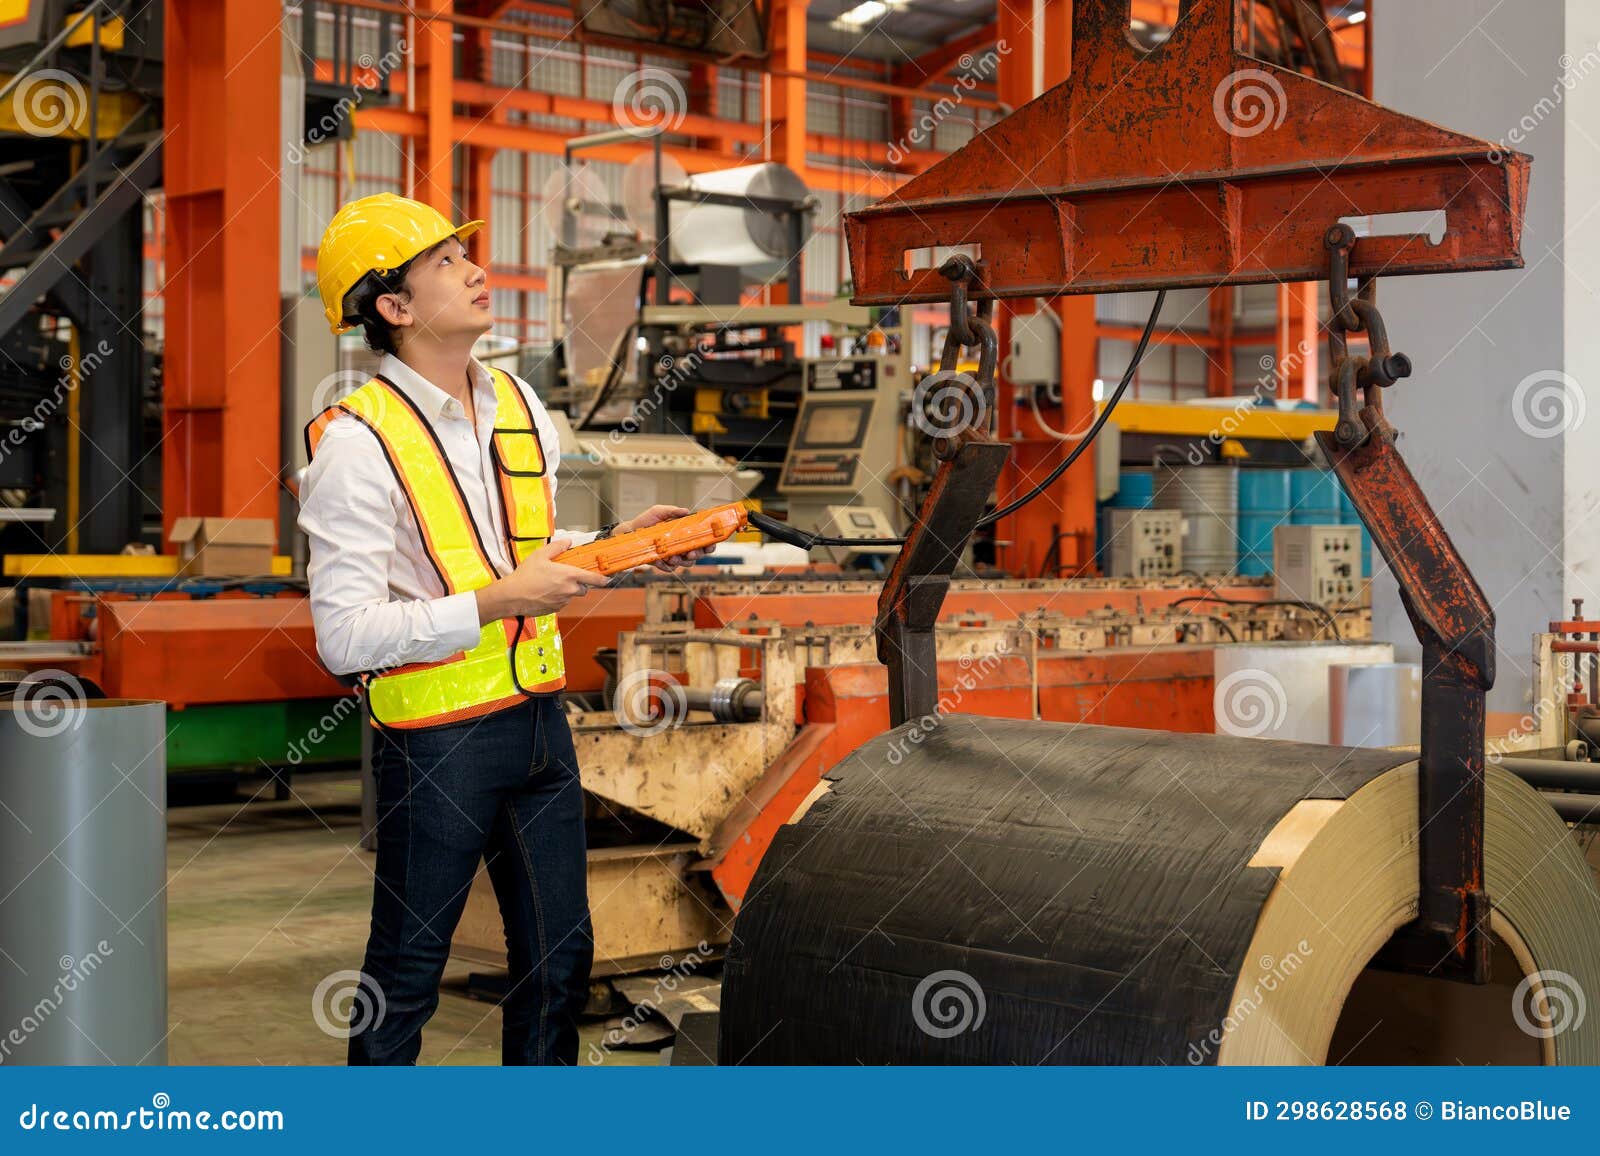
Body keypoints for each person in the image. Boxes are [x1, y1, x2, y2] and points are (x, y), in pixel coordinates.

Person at [298, 192, 707, 1065]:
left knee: (560, 966)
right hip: (437, 749)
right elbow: (343, 637)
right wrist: (496, 604)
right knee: (405, 977)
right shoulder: (355, 445)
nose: (477, 269)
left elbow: (515, 551)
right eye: (445, 262)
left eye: (466, 253)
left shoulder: (518, 402)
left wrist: (615, 548)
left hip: (537, 733)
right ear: (394, 308)